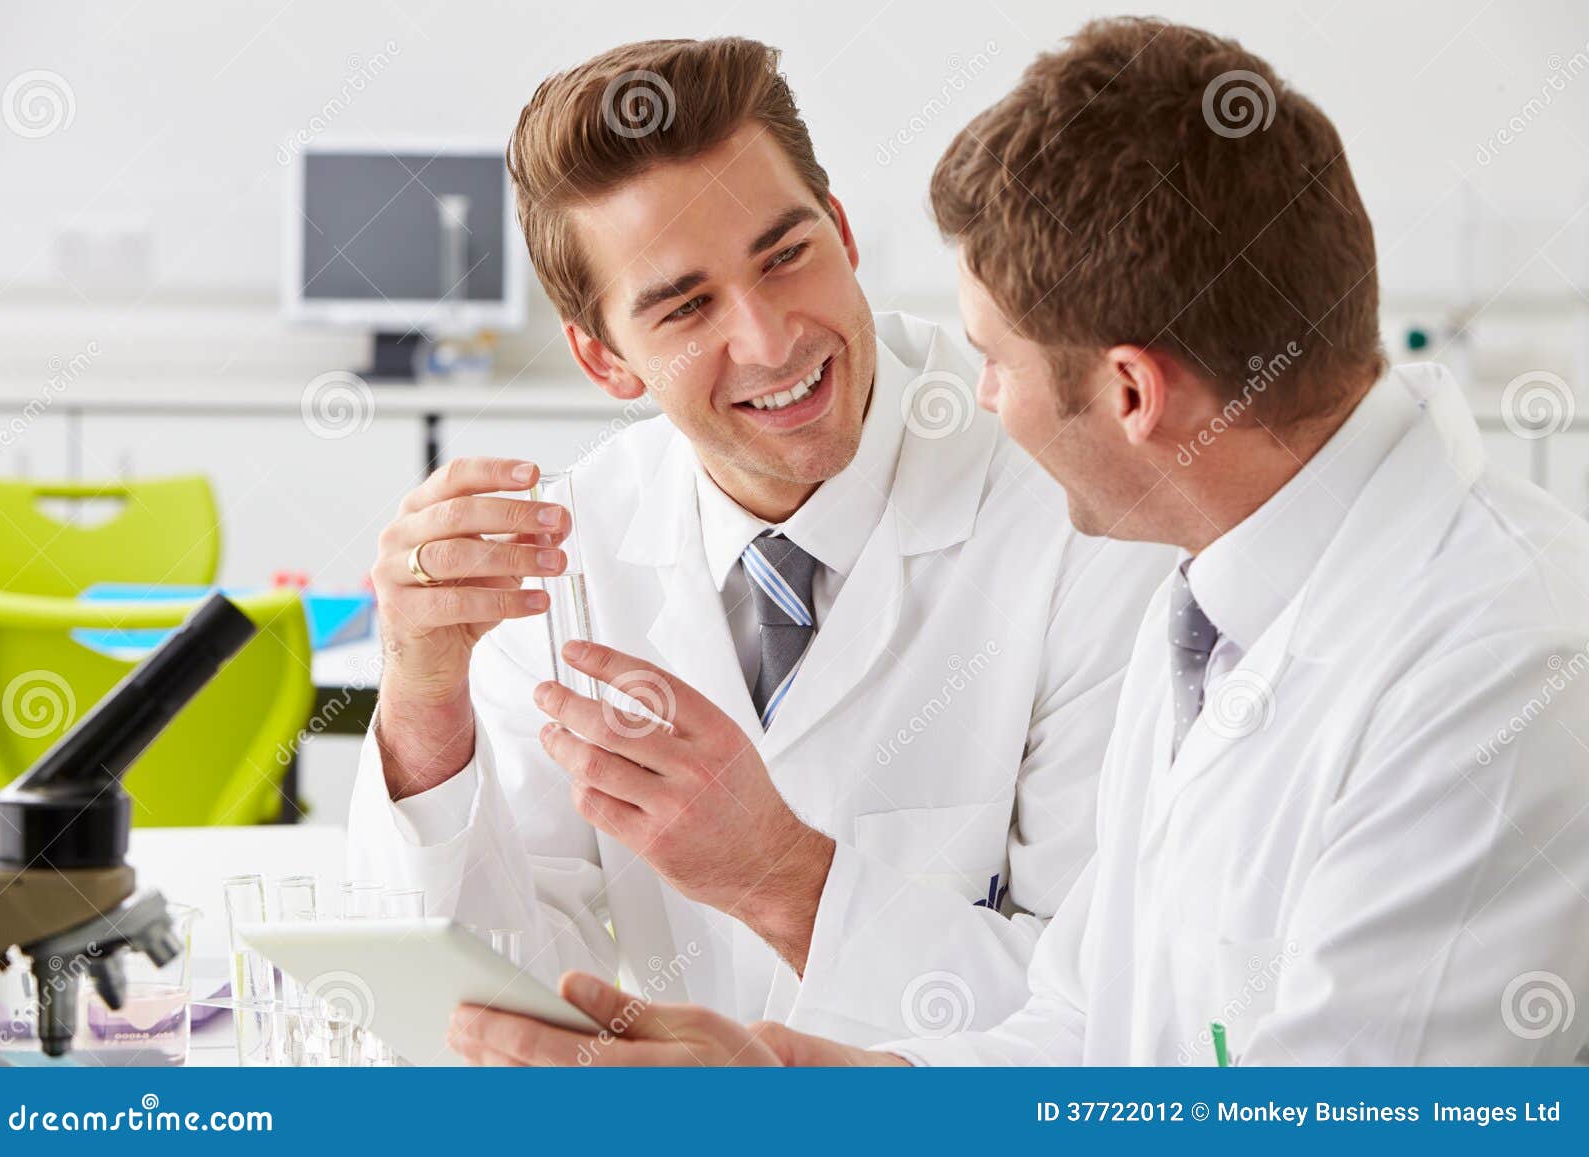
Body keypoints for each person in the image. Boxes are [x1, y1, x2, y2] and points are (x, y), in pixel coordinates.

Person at [446, 18, 1589, 1067]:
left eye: (992, 358)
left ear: (1133, 392)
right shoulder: (1219, 600)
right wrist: (788, 1088)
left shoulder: (1490, 669)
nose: (969, 396)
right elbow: (1080, 1028)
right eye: (685, 305)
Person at [349, 36, 1171, 1045]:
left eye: (787, 255)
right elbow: (487, 1021)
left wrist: (783, 876)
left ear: (842, 230)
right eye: (687, 305)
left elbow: (1117, 1015)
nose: (773, 339)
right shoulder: (568, 557)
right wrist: (424, 701)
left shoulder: (1078, 508)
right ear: (605, 359)